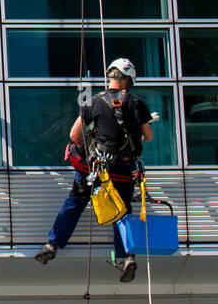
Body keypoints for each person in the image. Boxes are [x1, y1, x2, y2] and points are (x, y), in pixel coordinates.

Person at [35, 58, 154, 283]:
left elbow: (74, 136)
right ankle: (127, 257)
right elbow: (148, 136)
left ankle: (52, 245)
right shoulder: (136, 103)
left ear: (110, 77)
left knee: (75, 202)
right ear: (128, 80)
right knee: (122, 212)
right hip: (123, 169)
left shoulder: (94, 102)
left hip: (98, 169)